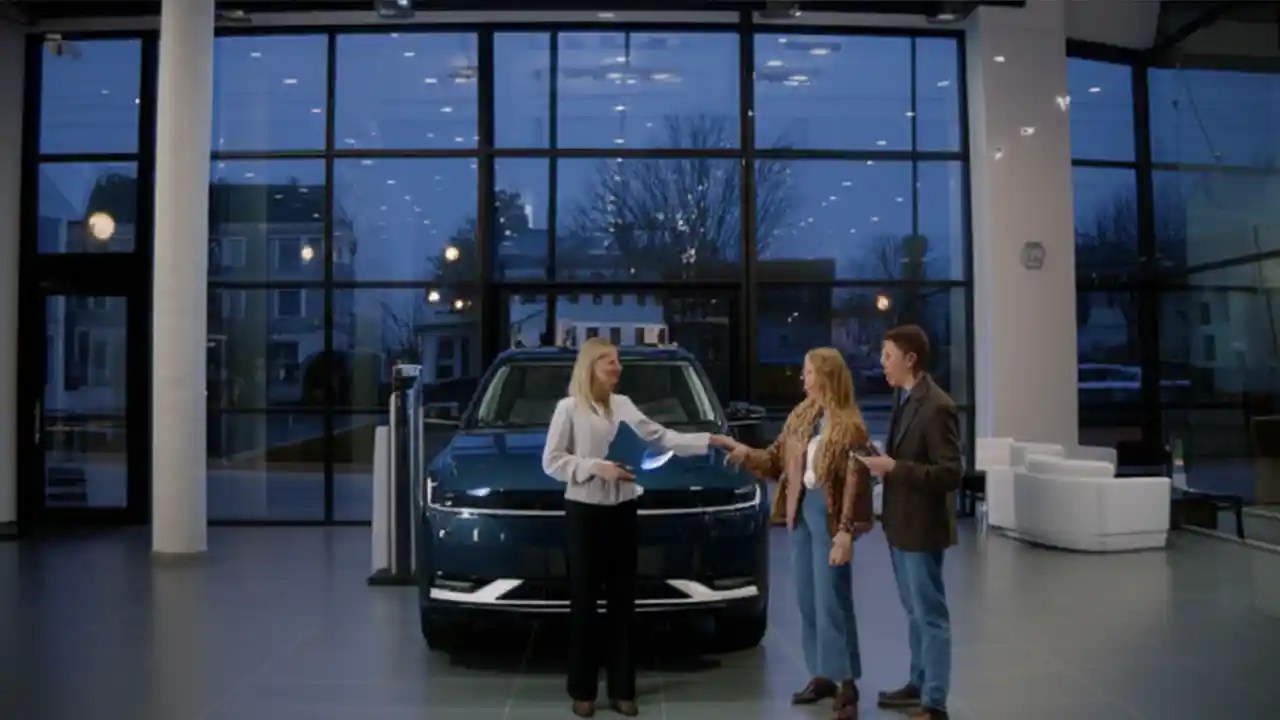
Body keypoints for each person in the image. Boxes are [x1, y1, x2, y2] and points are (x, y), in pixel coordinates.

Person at [542, 337, 741, 718]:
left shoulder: (624, 406)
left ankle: (622, 689)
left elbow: (663, 438)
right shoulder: (568, 409)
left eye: (618, 362)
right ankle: (582, 690)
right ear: (590, 368)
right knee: (584, 602)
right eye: (609, 363)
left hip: (623, 511)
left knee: (622, 602)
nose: (617, 368)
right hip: (584, 512)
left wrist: (712, 440)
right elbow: (551, 461)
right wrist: (594, 467)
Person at [728, 347, 875, 720]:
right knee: (808, 599)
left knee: (832, 600)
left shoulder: (849, 425)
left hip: (828, 518)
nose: (802, 378)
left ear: (826, 376)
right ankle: (821, 673)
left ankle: (847, 681)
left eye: (808, 372)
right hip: (800, 514)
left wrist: (845, 533)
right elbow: (775, 460)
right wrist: (744, 453)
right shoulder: (800, 416)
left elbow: (858, 487)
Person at [854, 325, 962, 720]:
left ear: (909, 359)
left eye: (887, 356)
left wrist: (895, 467)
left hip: (922, 527)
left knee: (930, 615)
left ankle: (935, 702)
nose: (882, 364)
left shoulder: (938, 406)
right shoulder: (904, 399)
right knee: (915, 611)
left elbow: (950, 473)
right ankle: (918, 683)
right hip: (900, 525)